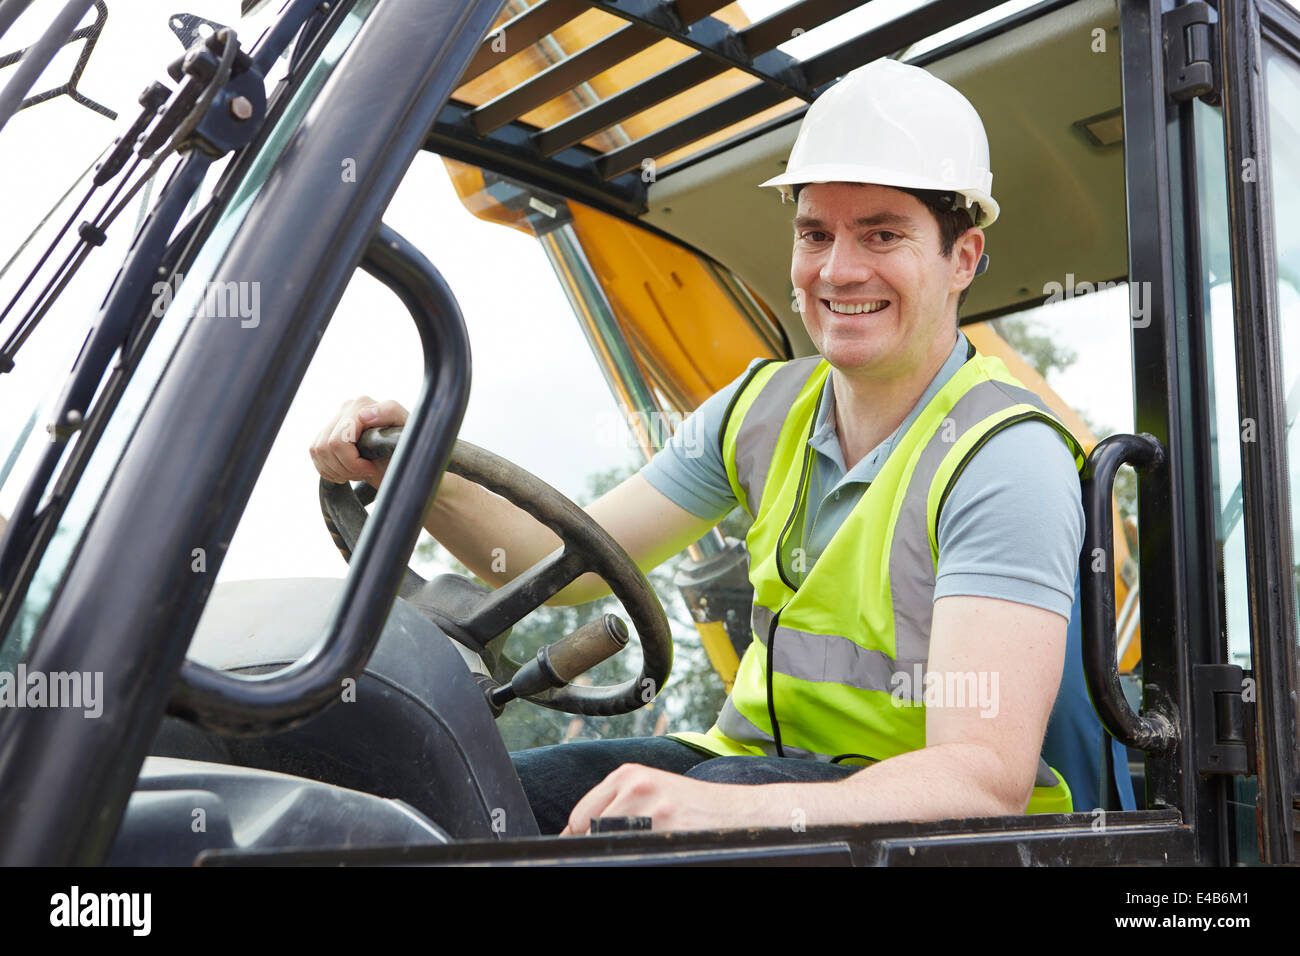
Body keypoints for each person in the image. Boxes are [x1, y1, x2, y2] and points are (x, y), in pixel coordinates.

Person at [311, 58, 1114, 836]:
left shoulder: (1004, 456)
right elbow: (550, 564)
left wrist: (726, 808)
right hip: (750, 759)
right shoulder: (760, 410)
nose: (837, 269)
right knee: (493, 795)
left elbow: (982, 777)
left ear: (961, 257)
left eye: (882, 234)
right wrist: (421, 470)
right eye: (815, 233)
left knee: (683, 814)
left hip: (934, 827)